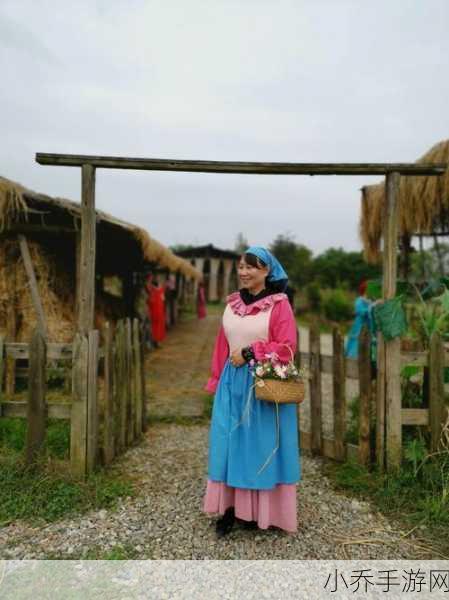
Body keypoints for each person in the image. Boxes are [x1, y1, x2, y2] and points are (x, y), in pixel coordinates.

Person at [202, 247, 300, 537]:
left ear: (267, 271)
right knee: (229, 443)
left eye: (252, 267)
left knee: (258, 446)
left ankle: (260, 512)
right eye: (241, 267)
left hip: (262, 385)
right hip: (231, 385)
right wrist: (216, 379)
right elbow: (222, 345)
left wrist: (250, 351)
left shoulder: (279, 305)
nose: (244, 272)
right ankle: (232, 509)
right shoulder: (232, 304)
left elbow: (287, 347)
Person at [344, 280, 378, 362]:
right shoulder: (359, 300)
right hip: (359, 326)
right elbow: (360, 312)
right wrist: (372, 306)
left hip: (369, 326)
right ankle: (353, 360)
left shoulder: (371, 300)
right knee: (357, 342)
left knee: (370, 342)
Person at [147, 276, 166, 348]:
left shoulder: (151, 291)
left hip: (153, 312)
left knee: (153, 327)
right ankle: (157, 342)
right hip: (160, 312)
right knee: (159, 328)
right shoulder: (161, 290)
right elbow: (163, 300)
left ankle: (154, 342)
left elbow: (150, 301)